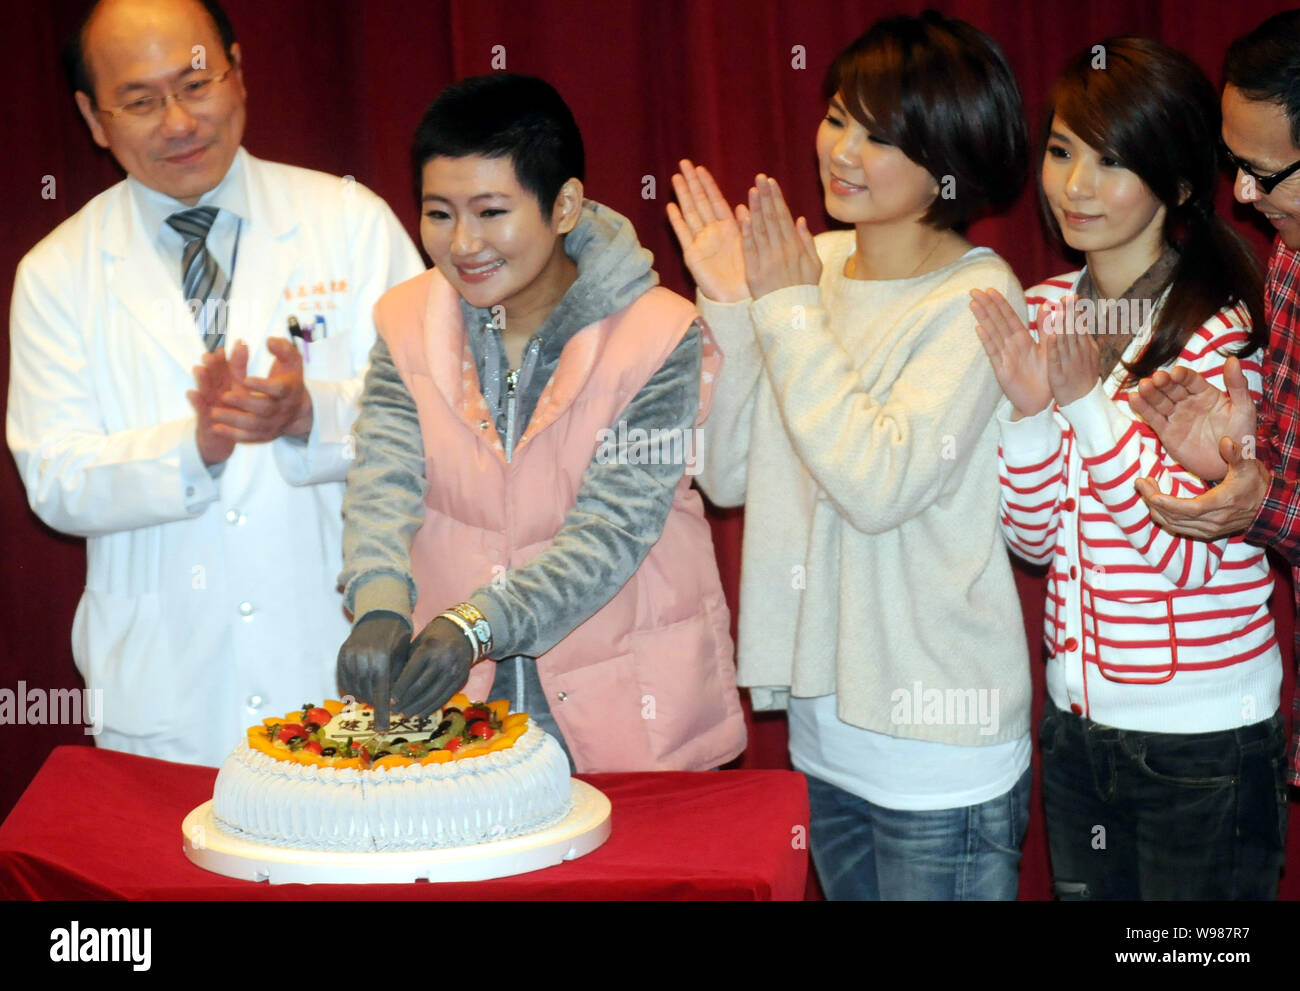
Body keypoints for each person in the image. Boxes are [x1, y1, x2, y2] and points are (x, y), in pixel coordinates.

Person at [668, 12, 1032, 899]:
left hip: (938, 747)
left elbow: (875, 480)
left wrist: (784, 310)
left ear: (951, 158)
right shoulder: (813, 264)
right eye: (838, 117)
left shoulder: (978, 296)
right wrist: (731, 303)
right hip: (826, 735)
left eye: (880, 136)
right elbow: (724, 472)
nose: (842, 150)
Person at [5, 0, 423, 766]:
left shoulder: (349, 221)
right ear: (93, 119)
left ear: (238, 73)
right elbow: (55, 478)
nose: (177, 122)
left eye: (195, 85)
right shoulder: (56, 275)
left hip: (341, 658)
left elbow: (440, 418)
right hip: (165, 692)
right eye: (139, 100)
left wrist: (312, 416)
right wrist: (191, 450)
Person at [335, 73, 746, 772]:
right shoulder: (404, 320)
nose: (463, 243)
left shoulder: (659, 333)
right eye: (439, 213)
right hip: (461, 719)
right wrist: (376, 601)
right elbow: (383, 477)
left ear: (564, 206)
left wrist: (474, 623)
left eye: (492, 211)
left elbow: (614, 528)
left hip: (630, 718)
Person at [972, 37, 1283, 899]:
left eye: (1112, 160)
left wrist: (1079, 406)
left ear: (1178, 184)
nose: (1076, 186)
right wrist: (1033, 414)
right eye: (1063, 150)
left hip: (1204, 739)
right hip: (1077, 732)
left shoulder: (1221, 332)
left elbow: (1187, 555)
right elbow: (1034, 542)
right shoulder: (1042, 309)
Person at [1128, 12, 1300, 794]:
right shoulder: (1288, 269)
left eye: (1264, 172)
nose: (1241, 193)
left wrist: (1262, 504)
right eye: (1234, 164)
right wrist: (1237, 462)